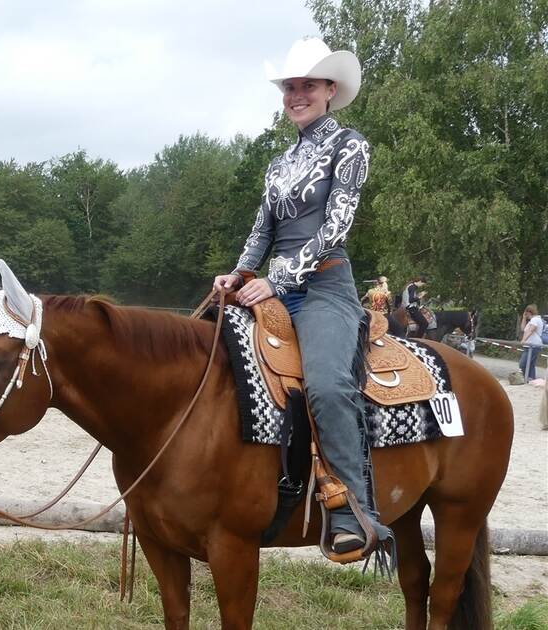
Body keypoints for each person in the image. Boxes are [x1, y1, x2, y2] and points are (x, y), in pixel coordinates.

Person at [212, 37, 389, 556]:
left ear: (330, 90)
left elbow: (336, 225)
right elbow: (262, 230)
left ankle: (352, 509)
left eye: (307, 85)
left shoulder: (350, 145)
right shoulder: (278, 163)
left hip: (325, 288)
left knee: (329, 387)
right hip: (270, 288)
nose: (296, 94)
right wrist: (241, 273)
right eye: (290, 86)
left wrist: (281, 278)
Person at [519, 305, 544, 381]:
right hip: (530, 345)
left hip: (533, 345)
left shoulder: (535, 320)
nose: (526, 315)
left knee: (523, 364)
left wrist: (523, 340)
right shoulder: (532, 320)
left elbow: (531, 330)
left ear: (529, 312)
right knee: (531, 365)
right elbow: (523, 329)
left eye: (526, 313)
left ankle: (526, 378)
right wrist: (524, 318)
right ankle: (531, 379)